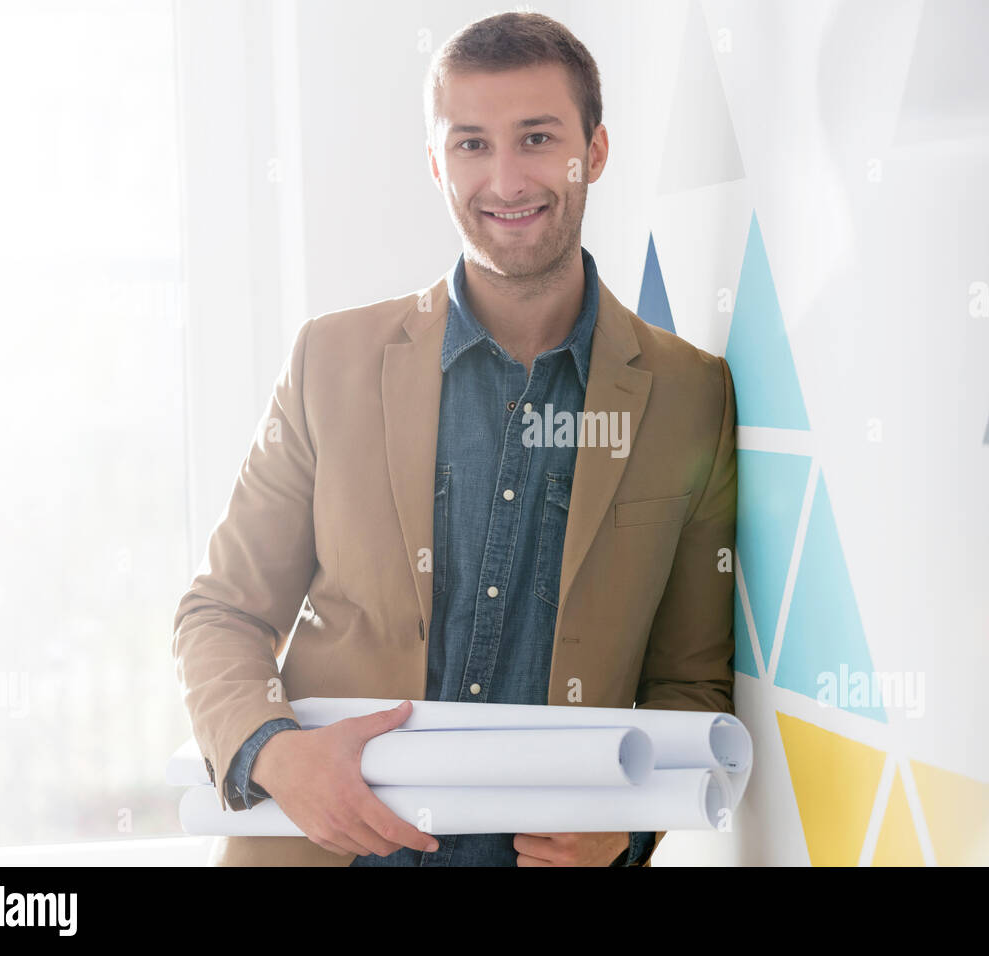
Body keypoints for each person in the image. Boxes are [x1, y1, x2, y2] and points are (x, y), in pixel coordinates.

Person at [172, 10, 738, 867]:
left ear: (597, 151)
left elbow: (690, 681)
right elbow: (222, 611)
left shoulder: (691, 394)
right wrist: (275, 754)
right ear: (437, 162)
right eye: (471, 144)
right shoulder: (331, 360)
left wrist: (629, 827)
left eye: (538, 137)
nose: (505, 179)